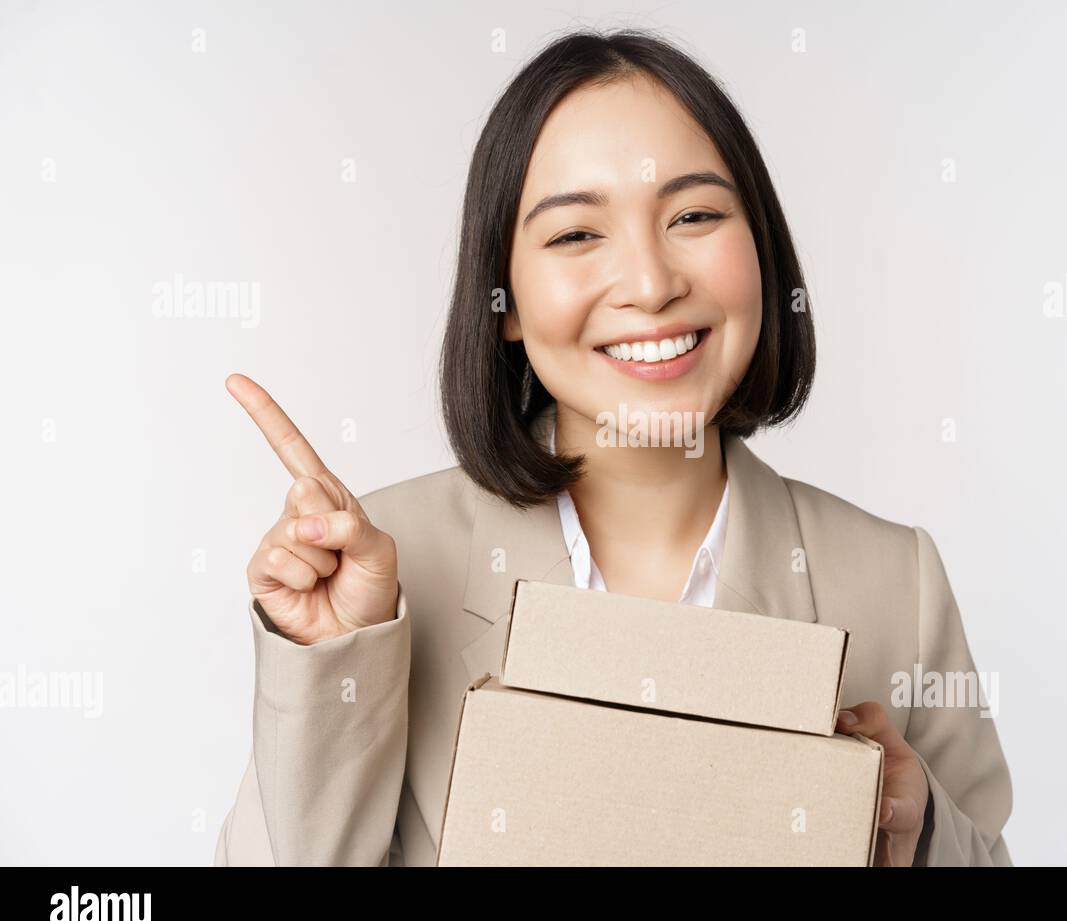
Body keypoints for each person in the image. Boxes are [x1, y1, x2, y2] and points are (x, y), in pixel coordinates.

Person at [214, 28, 1012, 866]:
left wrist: (921, 835)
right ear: (507, 303)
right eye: (575, 235)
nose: (651, 283)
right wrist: (333, 662)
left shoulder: (896, 579)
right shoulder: (387, 571)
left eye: (695, 216)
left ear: (764, 253)